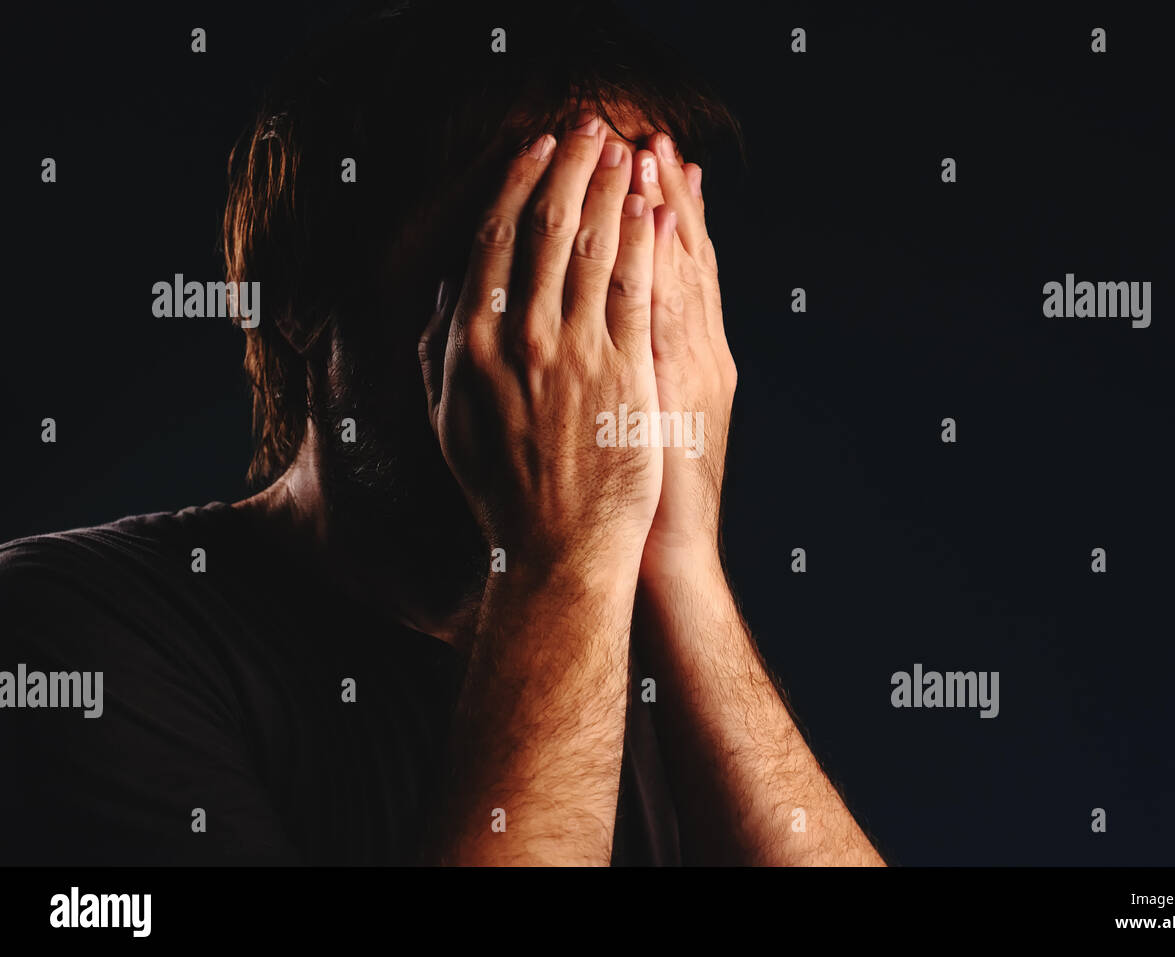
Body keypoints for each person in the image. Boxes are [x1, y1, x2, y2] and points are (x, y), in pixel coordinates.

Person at [0, 0, 885, 866]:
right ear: (307, 292)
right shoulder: (69, 636)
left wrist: (685, 564)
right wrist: (558, 564)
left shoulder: (653, 678)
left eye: (635, 270)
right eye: (530, 259)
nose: (590, 352)